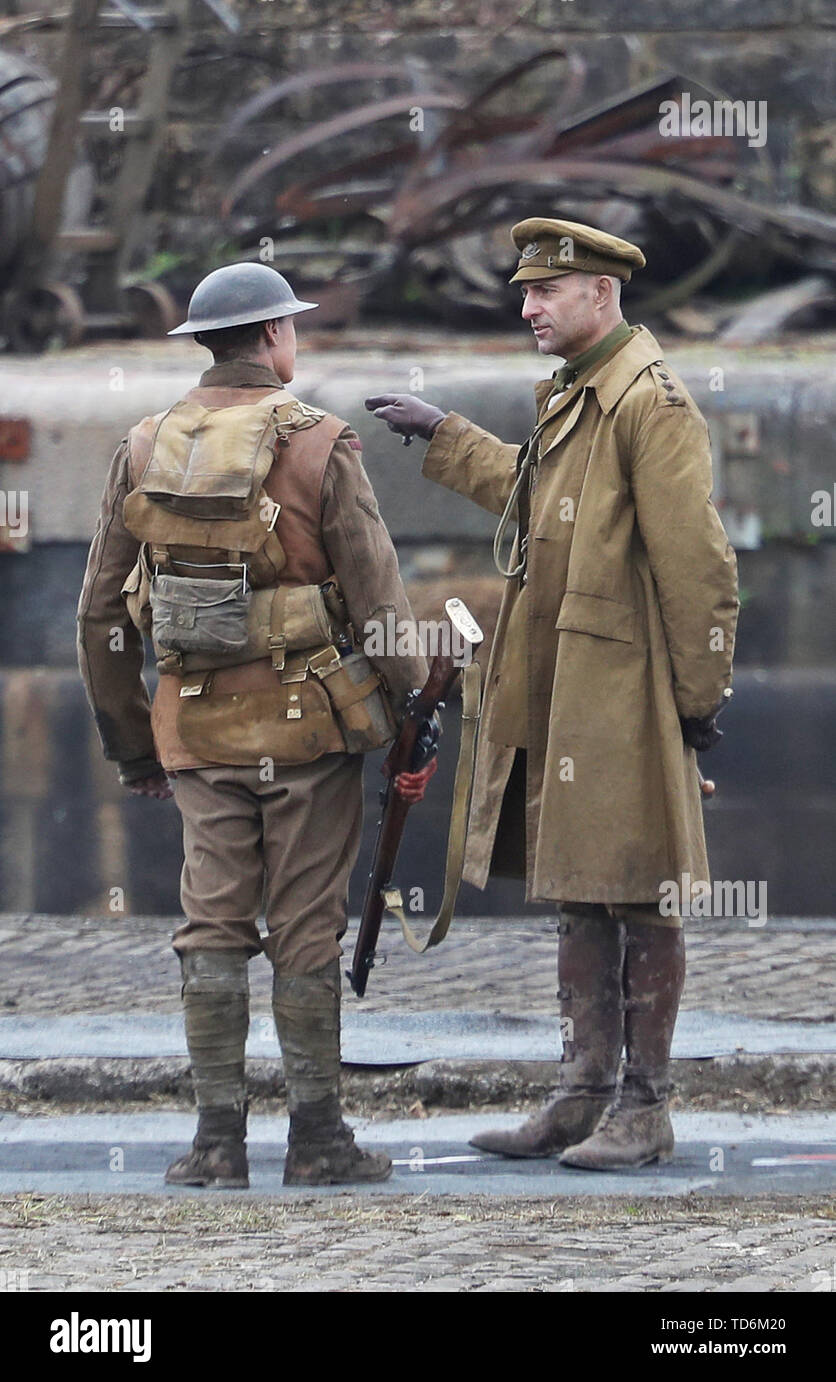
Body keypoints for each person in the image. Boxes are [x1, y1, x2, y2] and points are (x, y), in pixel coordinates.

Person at [366, 217, 739, 1169]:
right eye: (525, 291)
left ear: (601, 294)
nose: (526, 307)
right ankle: (580, 1098)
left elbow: (699, 569)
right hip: (571, 685)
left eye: (544, 292)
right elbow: (539, 502)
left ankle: (645, 1112)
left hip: (624, 694)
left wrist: (694, 708)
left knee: (641, 895)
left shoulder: (650, 406)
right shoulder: (582, 395)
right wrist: (443, 435)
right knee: (579, 890)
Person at [78, 261, 435, 1188]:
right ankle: (317, 1142)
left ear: (202, 342)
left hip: (194, 732)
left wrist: (132, 747)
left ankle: (214, 1145)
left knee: (213, 926)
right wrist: (410, 708)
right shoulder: (321, 445)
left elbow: (101, 617)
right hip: (307, 737)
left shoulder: (144, 445)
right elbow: (379, 599)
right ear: (276, 337)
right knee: (306, 931)